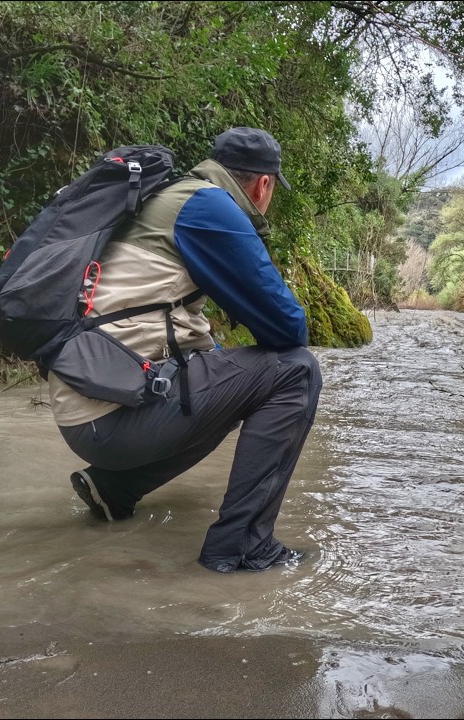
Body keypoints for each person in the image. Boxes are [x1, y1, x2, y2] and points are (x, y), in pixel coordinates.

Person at [49, 127, 322, 574]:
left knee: (229, 381)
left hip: (87, 409)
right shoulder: (211, 208)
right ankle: (242, 549)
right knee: (297, 372)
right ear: (264, 184)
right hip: (114, 418)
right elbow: (289, 327)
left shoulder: (170, 197)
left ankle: (114, 490)